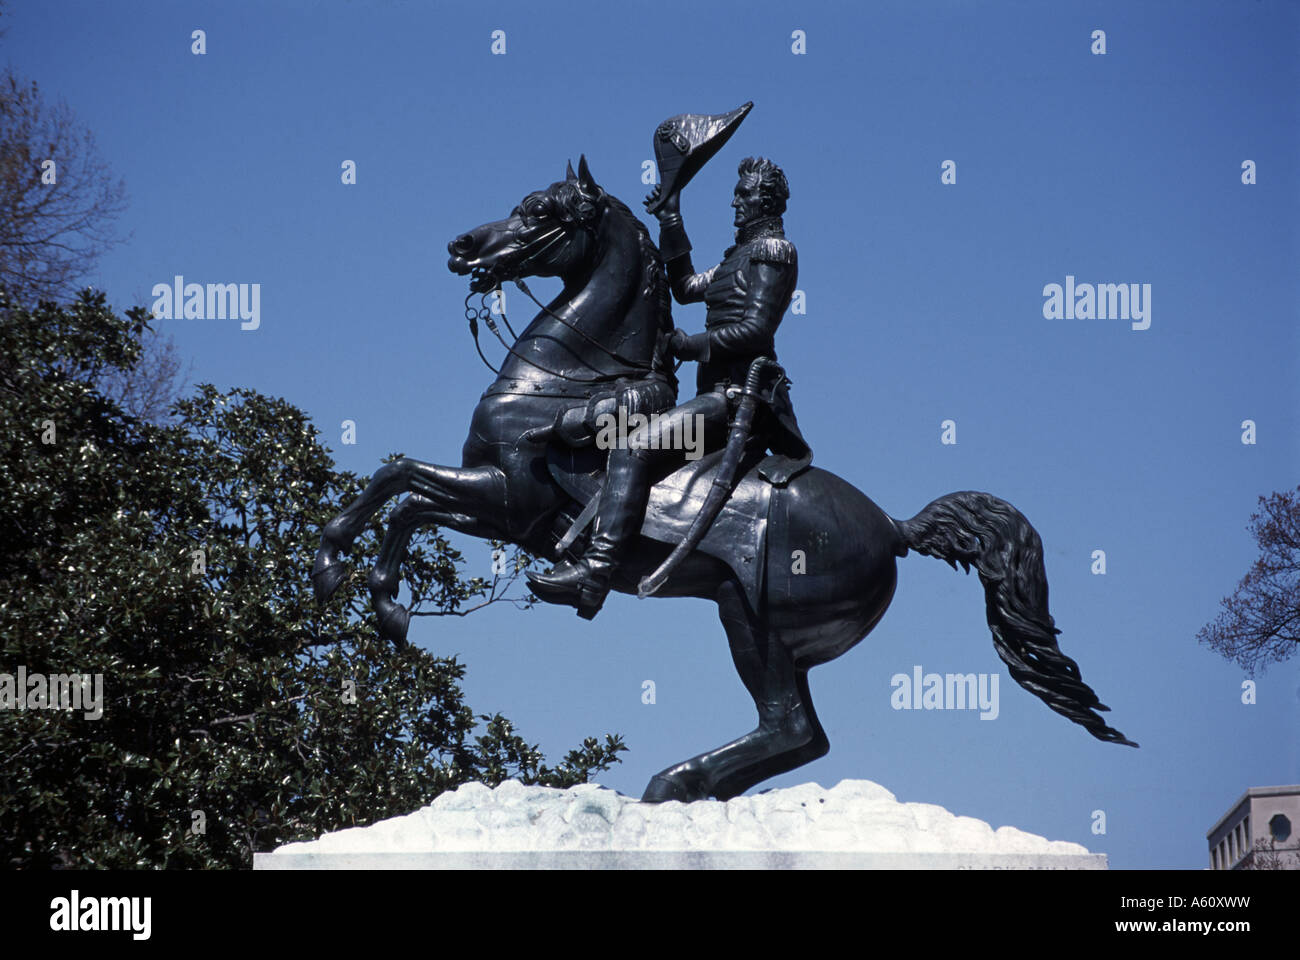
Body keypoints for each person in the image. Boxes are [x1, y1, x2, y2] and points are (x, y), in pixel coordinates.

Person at [527, 156, 811, 618]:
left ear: (767, 200)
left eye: (744, 194)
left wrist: (686, 343)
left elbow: (756, 330)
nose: (735, 201)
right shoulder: (736, 258)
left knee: (633, 447)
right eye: (736, 193)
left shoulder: (773, 253)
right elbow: (684, 286)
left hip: (738, 401)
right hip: (713, 398)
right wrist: (671, 217)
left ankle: (595, 574)